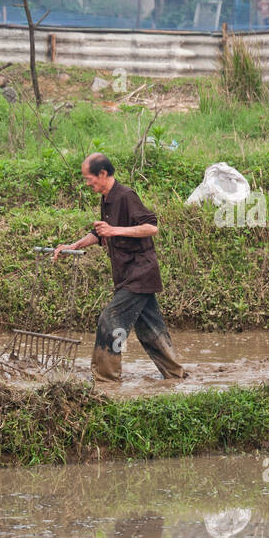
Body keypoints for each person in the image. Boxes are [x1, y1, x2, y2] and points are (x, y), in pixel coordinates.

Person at [51, 153, 187, 384]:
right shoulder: (107, 198)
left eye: (89, 178)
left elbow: (151, 227)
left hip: (139, 274)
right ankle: (176, 375)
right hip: (127, 276)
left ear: (102, 174)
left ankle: (106, 379)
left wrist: (115, 231)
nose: (87, 183)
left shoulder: (125, 196)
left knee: (110, 320)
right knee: (149, 329)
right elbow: (100, 232)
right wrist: (73, 246)